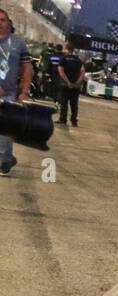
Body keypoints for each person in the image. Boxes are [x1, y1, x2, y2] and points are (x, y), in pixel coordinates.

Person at [0, 7, 34, 176]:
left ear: (8, 24)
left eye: (2, 20)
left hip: (9, 95)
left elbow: (27, 68)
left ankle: (5, 161)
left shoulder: (18, 43)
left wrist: (25, 91)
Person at [55, 46, 85, 127]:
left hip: (64, 85)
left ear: (67, 49)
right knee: (74, 104)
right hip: (76, 87)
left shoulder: (63, 58)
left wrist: (68, 82)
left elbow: (61, 71)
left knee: (64, 103)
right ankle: (74, 121)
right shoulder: (78, 60)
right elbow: (82, 73)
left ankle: (63, 120)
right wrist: (76, 83)